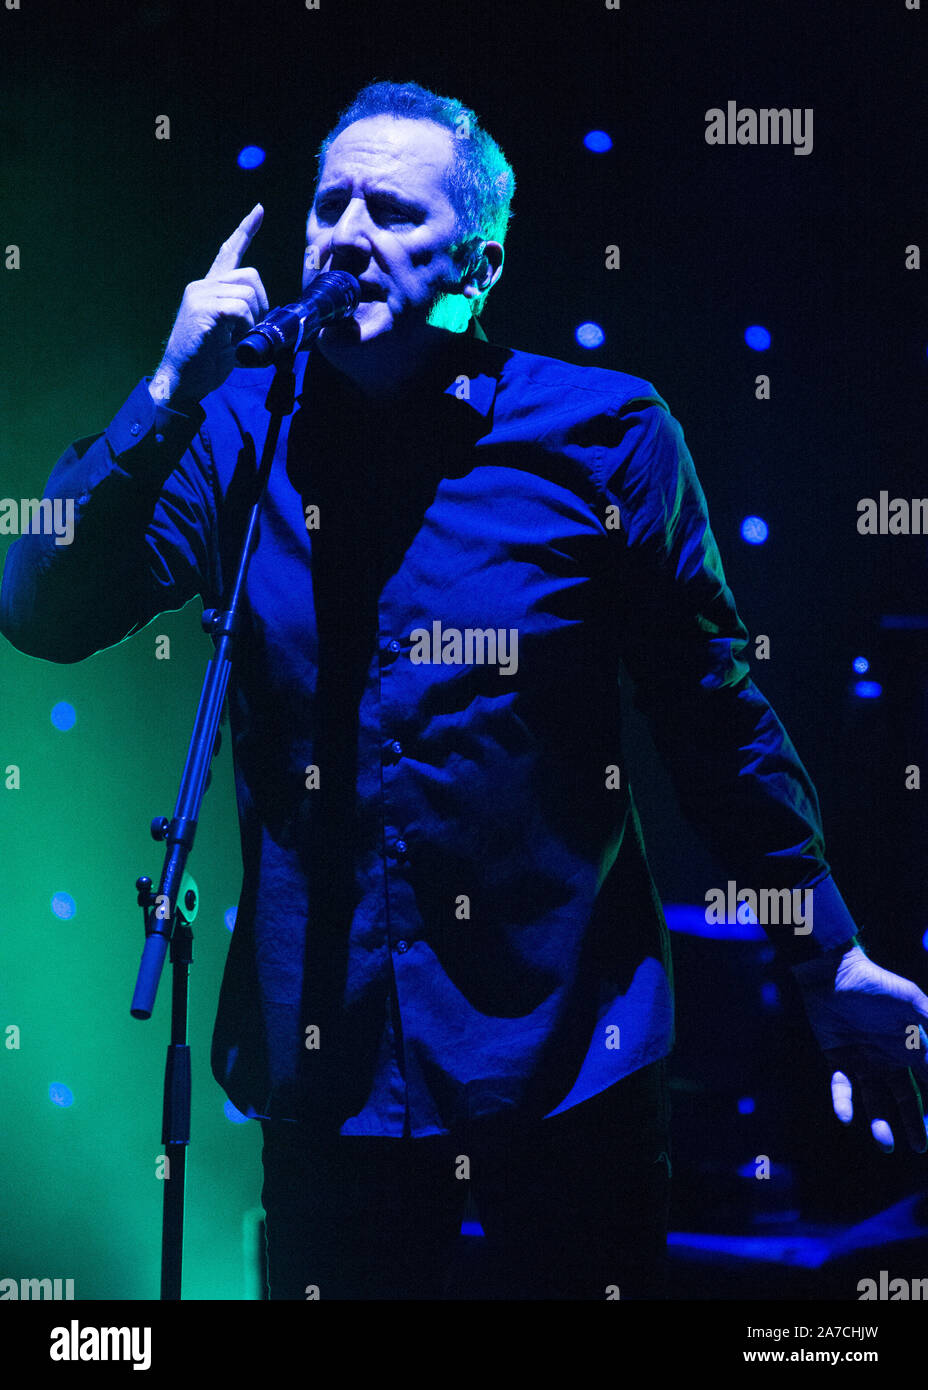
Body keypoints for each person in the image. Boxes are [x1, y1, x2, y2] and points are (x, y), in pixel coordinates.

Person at [2, 80, 926, 1301]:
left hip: (565, 1055)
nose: (345, 232)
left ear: (479, 263)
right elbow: (39, 606)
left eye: (390, 209)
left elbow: (716, 719)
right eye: (328, 203)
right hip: (325, 1061)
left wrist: (823, 956)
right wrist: (168, 388)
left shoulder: (603, 436)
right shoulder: (238, 429)